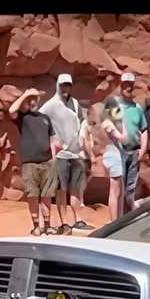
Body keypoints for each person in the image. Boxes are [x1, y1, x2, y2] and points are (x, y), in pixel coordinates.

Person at [42, 74, 91, 233]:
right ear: (58, 85)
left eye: (68, 85)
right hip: (60, 155)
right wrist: (51, 143)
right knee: (61, 190)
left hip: (75, 153)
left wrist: (83, 146)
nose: (65, 88)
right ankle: (64, 223)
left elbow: (82, 125)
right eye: (63, 85)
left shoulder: (75, 104)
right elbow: (40, 121)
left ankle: (78, 220)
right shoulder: (51, 104)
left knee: (76, 188)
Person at [9, 87, 58, 236]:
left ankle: (47, 226)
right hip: (30, 163)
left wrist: (54, 159)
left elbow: (52, 139)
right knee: (33, 195)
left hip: (47, 162)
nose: (33, 102)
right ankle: (36, 226)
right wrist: (26, 94)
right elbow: (11, 110)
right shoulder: (23, 117)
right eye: (30, 100)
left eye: (35, 99)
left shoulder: (45, 118)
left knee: (47, 195)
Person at [111, 72, 148, 209]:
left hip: (134, 152)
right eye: (125, 85)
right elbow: (108, 127)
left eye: (130, 85)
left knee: (130, 189)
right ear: (121, 86)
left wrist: (142, 151)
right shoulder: (114, 105)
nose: (128, 88)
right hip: (119, 152)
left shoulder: (137, 108)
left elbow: (144, 130)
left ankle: (128, 217)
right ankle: (119, 218)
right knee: (118, 189)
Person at [97, 97, 128, 221]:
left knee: (119, 190)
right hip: (113, 157)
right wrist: (124, 124)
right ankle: (114, 220)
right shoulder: (108, 124)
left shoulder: (107, 123)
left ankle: (119, 218)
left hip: (113, 155)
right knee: (115, 191)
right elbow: (123, 138)